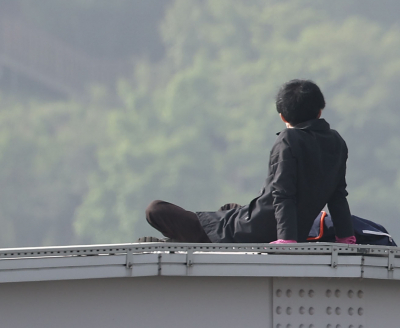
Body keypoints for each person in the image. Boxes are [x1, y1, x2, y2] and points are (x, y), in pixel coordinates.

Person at [143, 79, 357, 246]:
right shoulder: (337, 141)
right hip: (272, 224)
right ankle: (193, 235)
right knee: (228, 208)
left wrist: (286, 241)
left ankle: (187, 240)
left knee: (155, 210)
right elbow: (338, 195)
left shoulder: (288, 140)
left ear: (283, 116)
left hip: (255, 232)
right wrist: (345, 237)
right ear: (321, 110)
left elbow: (283, 194)